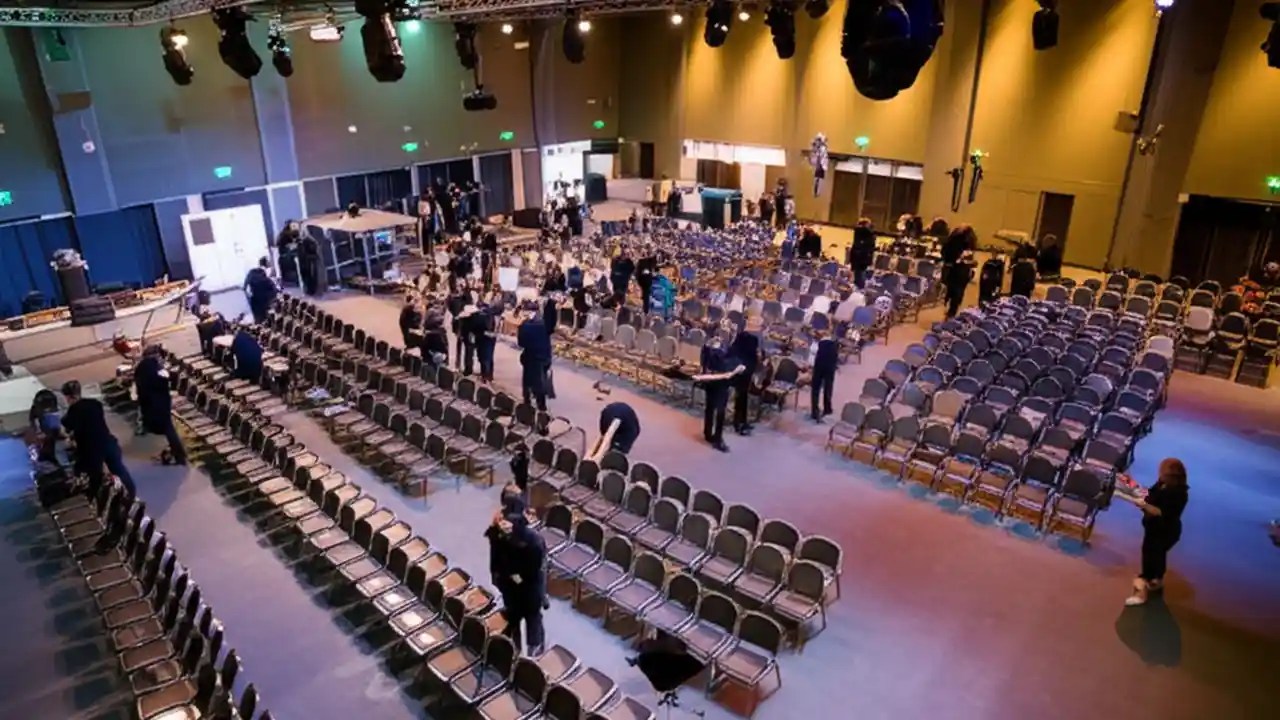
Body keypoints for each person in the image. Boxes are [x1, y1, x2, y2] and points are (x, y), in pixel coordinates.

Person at [61, 380, 136, 548]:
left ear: (68, 397)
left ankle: (97, 507)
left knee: (94, 478)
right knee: (118, 469)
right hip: (107, 442)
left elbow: (67, 425)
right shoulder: (95, 404)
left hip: (91, 449)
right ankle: (130, 493)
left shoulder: (74, 410)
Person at [1126, 459, 1190, 607]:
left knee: (1152, 557)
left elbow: (1161, 512)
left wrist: (1143, 505)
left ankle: (1143, 590)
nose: (1159, 474)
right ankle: (1155, 580)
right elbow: (1149, 495)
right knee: (1154, 555)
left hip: (1165, 531)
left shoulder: (1179, 494)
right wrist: (1132, 486)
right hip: (1154, 528)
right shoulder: (1161, 484)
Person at [134, 345, 187, 466]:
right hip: (160, 403)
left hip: (148, 404)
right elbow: (165, 382)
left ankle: (177, 454)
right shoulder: (158, 369)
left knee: (164, 428)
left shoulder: (140, 369)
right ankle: (179, 456)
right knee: (169, 429)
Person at [696, 338, 745, 452]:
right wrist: (738, 368)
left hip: (709, 381)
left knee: (709, 407)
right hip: (721, 384)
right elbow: (730, 367)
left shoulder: (707, 348)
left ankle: (708, 433)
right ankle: (718, 440)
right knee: (720, 412)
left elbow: (703, 363)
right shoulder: (726, 352)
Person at [728, 318, 762, 436]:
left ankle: (742, 421)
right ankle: (739, 424)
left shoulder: (739, 337)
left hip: (738, 369)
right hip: (746, 371)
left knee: (742, 397)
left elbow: (731, 352)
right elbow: (755, 357)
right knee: (741, 397)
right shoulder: (754, 340)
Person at [517, 306, 551, 410]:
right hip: (545, 356)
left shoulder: (525, 325)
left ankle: (527, 403)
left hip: (531, 357)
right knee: (541, 380)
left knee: (528, 381)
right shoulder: (545, 324)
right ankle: (542, 405)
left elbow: (521, 343)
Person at [809, 330, 838, 422]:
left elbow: (813, 357)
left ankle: (814, 411)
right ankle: (827, 408)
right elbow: (836, 358)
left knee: (815, 389)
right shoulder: (834, 344)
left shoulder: (818, 344)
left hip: (818, 367)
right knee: (828, 388)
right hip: (830, 368)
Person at [850, 219, 877, 289]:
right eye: (868, 224)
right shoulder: (864, 232)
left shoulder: (860, 233)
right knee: (860, 277)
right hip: (862, 259)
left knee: (858, 276)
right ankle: (859, 288)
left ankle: (858, 288)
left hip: (859, 258)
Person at [945, 253, 974, 319]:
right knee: (955, 300)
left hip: (956, 285)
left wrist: (948, 282)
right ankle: (951, 313)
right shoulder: (967, 268)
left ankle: (951, 313)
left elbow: (951, 275)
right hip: (959, 286)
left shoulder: (958, 265)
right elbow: (968, 278)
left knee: (953, 300)